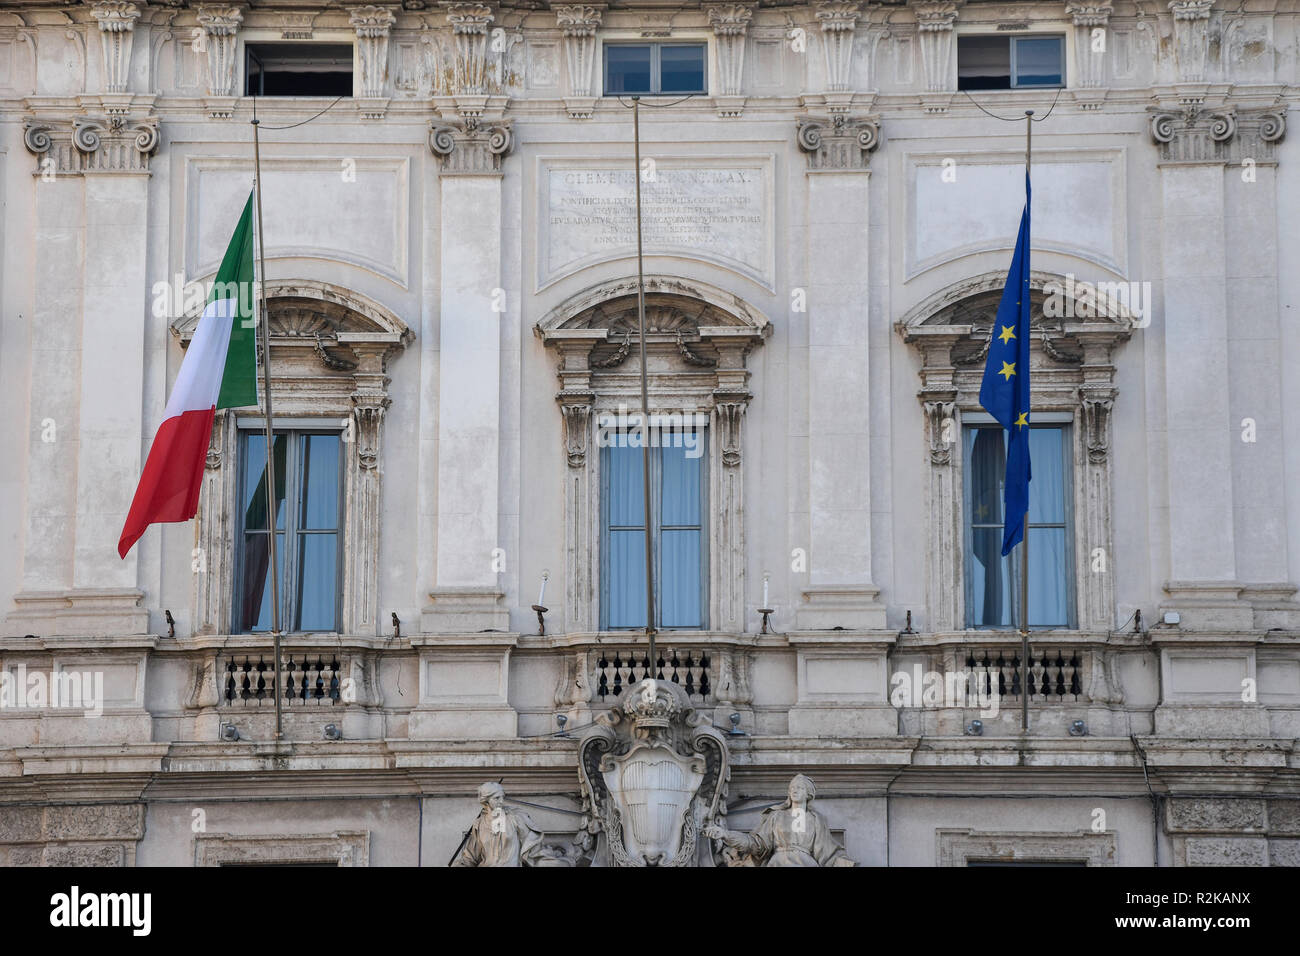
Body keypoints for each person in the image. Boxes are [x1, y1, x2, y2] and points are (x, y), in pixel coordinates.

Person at [704, 774, 854, 867]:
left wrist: (843, 862)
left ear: (809, 794)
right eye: (792, 788)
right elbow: (756, 844)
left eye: (800, 788)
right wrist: (725, 834)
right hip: (779, 862)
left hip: (805, 863)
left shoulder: (816, 819)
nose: (794, 790)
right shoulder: (777, 816)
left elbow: (827, 851)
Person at [451, 782, 550, 867]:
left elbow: (534, 848)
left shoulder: (516, 817)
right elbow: (471, 857)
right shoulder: (480, 824)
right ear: (486, 800)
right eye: (497, 798)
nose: (501, 801)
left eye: (502, 797)